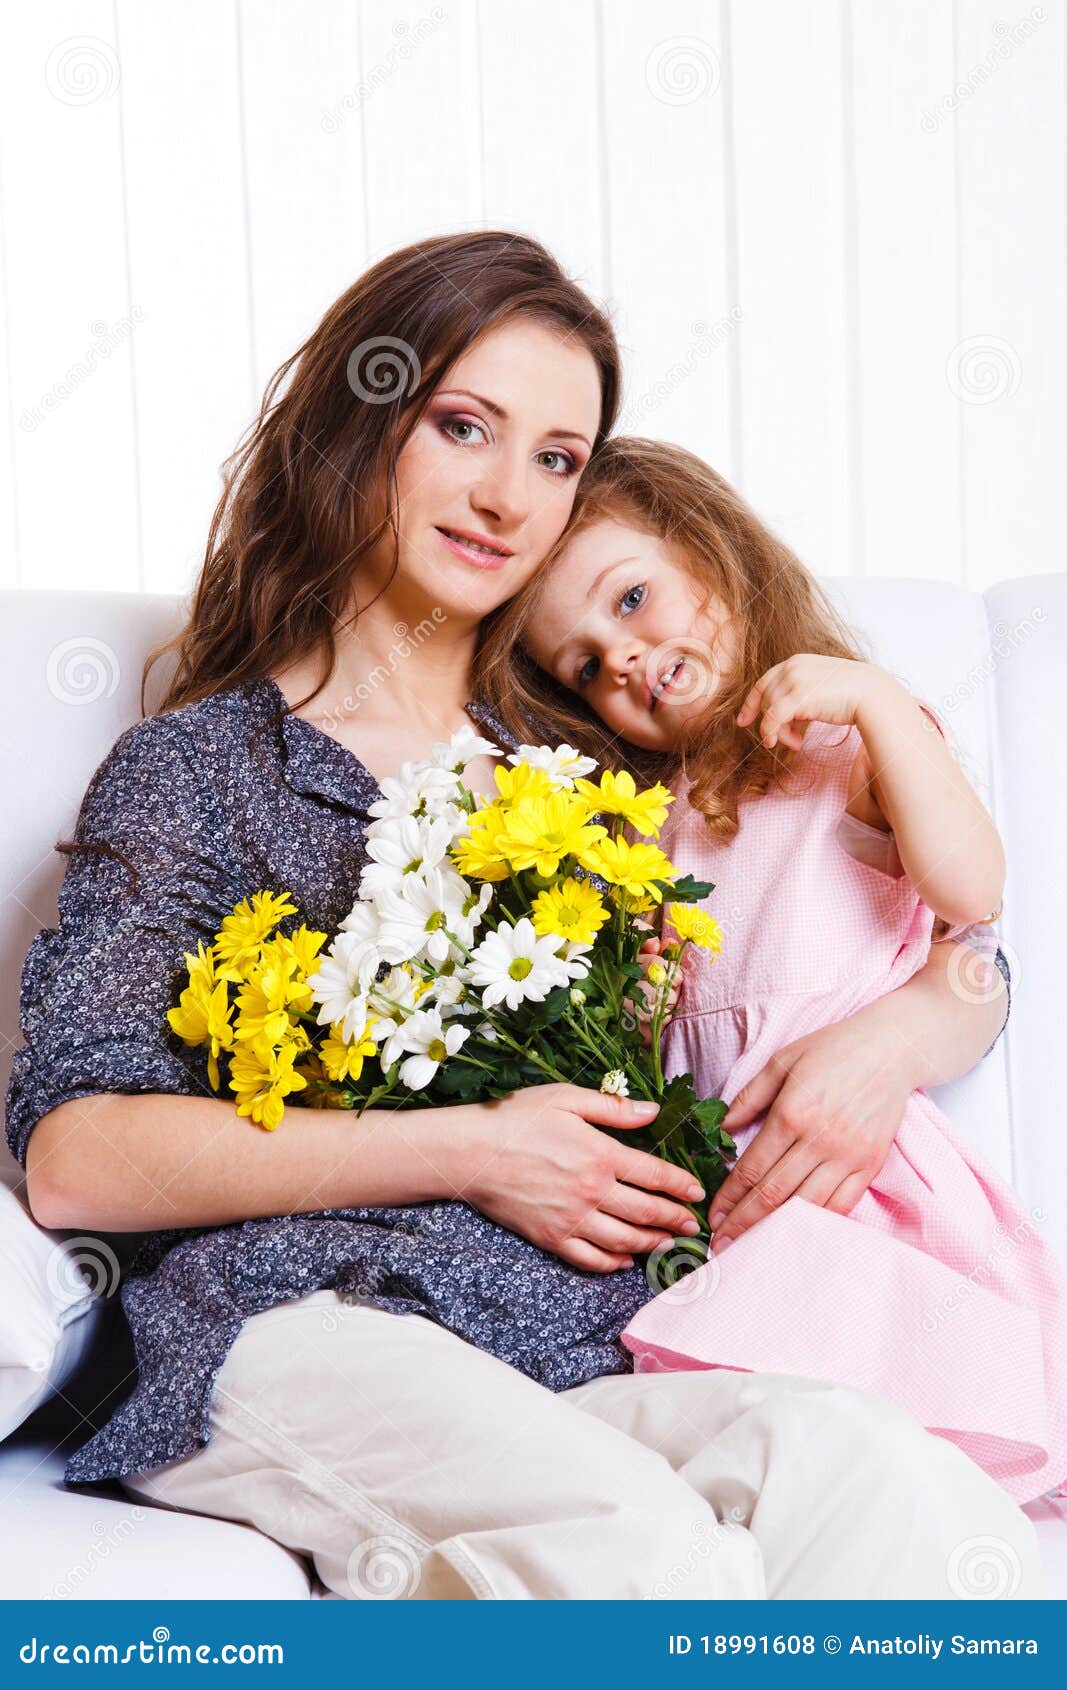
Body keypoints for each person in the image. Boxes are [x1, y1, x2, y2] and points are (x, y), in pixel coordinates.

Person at [5, 235, 1043, 1599]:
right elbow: (78, 1159)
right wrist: (472, 1147)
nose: (508, 494)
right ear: (354, 431)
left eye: (556, 457)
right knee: (640, 1558)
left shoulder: (600, 761)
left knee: (892, 1486)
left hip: (580, 1342)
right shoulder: (207, 769)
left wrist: (887, 1041)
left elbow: (935, 938)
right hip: (302, 1321)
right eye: (461, 426)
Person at [487, 433, 1067, 1505]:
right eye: (582, 664)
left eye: (628, 599)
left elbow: (970, 891)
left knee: (885, 1426)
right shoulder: (642, 823)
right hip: (726, 1186)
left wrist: (883, 706)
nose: (619, 658)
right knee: (762, 1449)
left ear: (711, 553)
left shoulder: (843, 754)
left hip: (857, 1174)